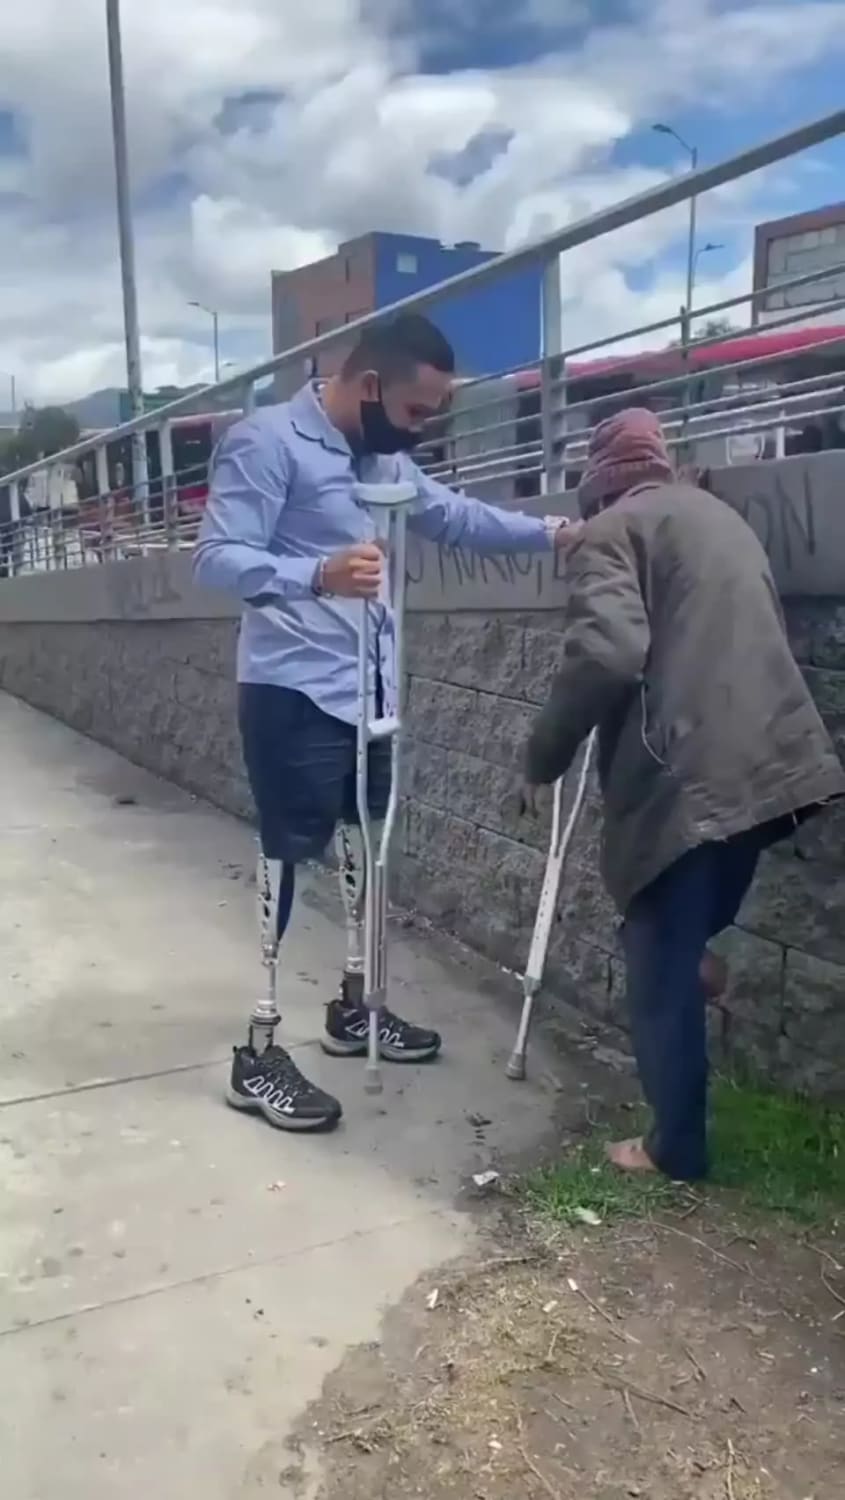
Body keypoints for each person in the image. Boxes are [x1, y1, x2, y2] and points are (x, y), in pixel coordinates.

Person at [194, 312, 574, 1133]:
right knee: (288, 859)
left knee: (368, 843)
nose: (422, 428)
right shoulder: (267, 443)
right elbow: (216, 557)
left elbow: (456, 517)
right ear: (369, 386)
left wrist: (559, 534)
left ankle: (353, 1007)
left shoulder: (380, 456)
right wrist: (316, 574)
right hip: (292, 690)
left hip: (368, 692)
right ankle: (256, 1051)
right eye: (415, 411)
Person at [523, 407, 845, 1182]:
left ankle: (674, 1148)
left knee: (654, 957)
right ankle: (695, 956)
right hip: (776, 767)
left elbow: (605, 652)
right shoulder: (716, 516)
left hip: (689, 774)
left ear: (597, 487)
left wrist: (542, 758)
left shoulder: (610, 532)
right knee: (678, 928)